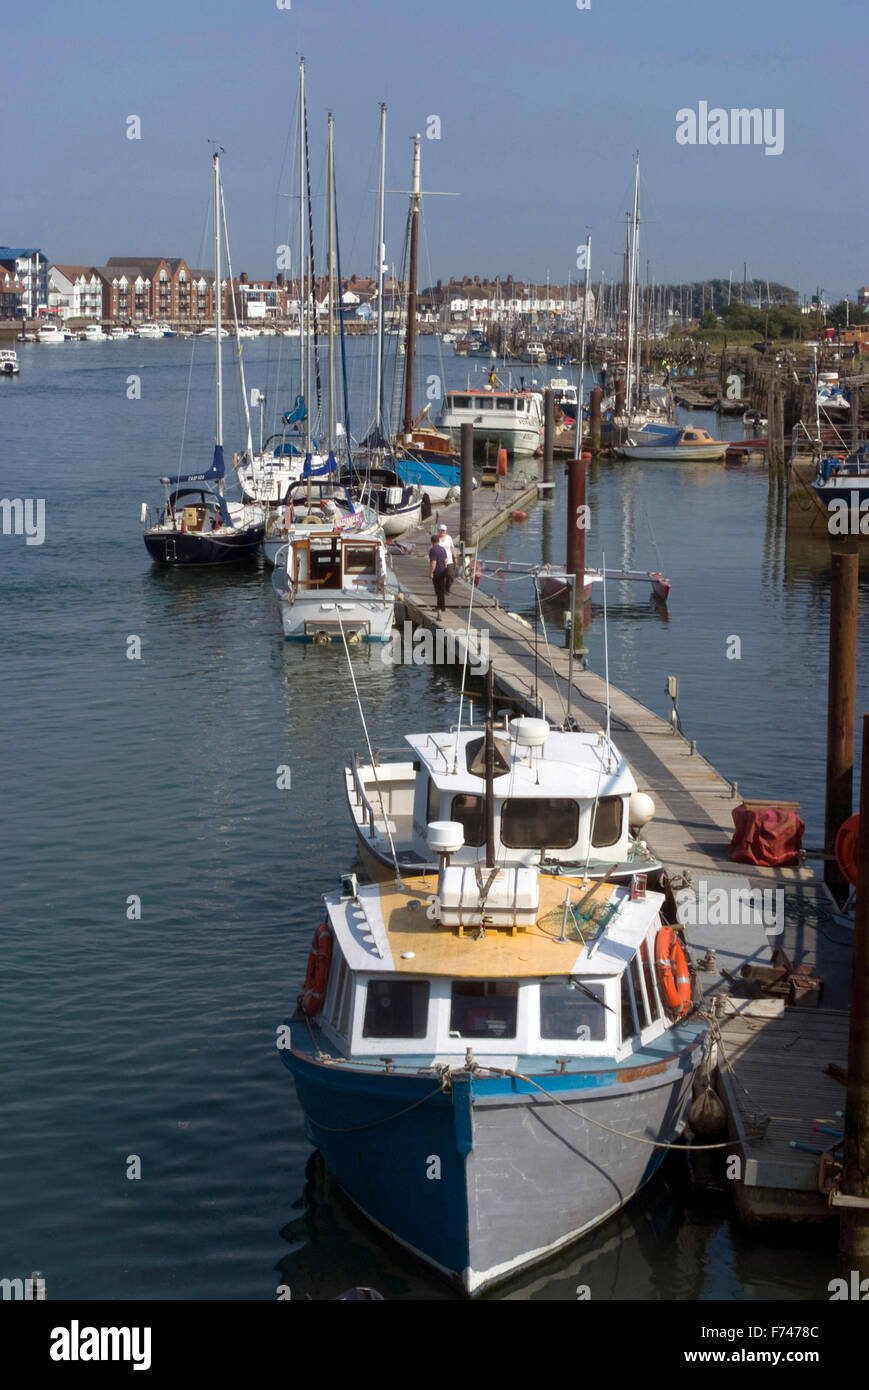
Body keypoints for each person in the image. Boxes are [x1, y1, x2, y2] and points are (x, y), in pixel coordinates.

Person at [429, 532, 448, 612]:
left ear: (432, 541)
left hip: (437, 572)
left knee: (438, 590)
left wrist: (431, 572)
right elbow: (446, 560)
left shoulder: (433, 550)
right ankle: (442, 607)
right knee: (442, 589)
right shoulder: (442, 549)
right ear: (438, 541)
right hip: (443, 570)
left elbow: (434, 562)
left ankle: (439, 607)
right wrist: (445, 568)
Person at [438, 522, 457, 592]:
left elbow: (452, 548)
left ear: (446, 531)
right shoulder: (437, 539)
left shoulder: (449, 538)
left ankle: (447, 589)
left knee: (450, 576)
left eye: (444, 530)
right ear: (439, 531)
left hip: (449, 561)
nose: (442, 532)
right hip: (440, 562)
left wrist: (455, 557)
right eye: (441, 530)